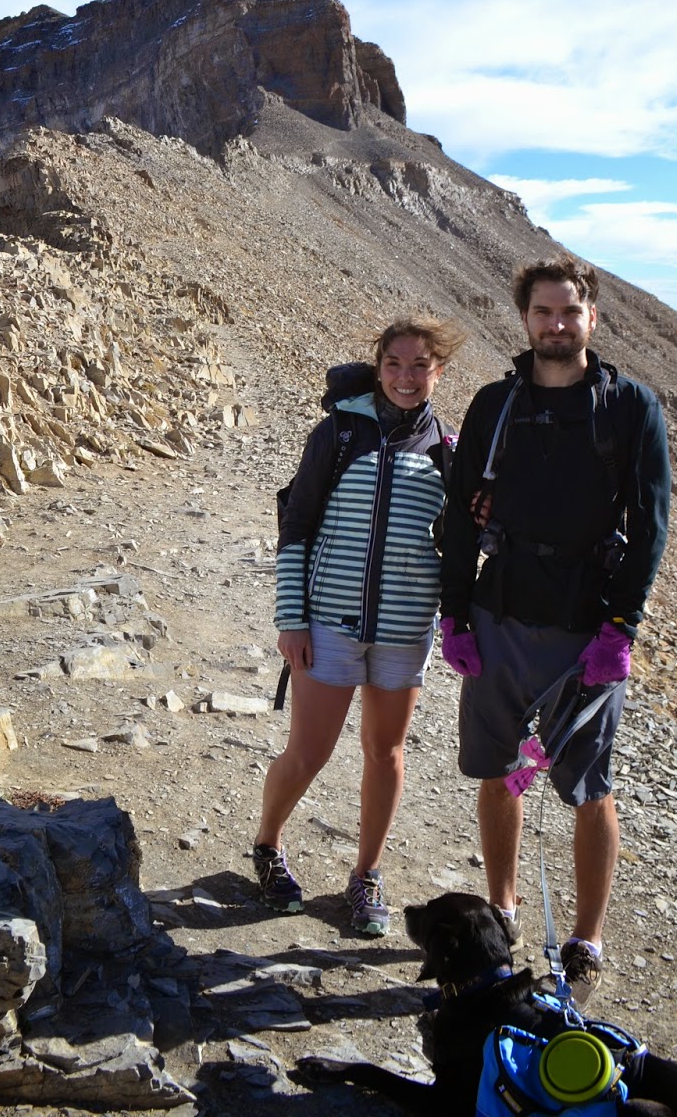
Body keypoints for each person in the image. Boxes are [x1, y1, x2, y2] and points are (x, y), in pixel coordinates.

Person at [439, 257, 670, 1005]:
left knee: (589, 786)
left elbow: (651, 525)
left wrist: (621, 625)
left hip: (585, 624)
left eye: (570, 311)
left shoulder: (630, 407)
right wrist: (454, 612)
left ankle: (587, 938)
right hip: (499, 613)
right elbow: (458, 514)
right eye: (543, 312)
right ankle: (502, 907)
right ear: (525, 319)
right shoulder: (495, 405)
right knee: (499, 769)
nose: (557, 325)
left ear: (592, 317)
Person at [254, 314, 465, 936]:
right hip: (329, 624)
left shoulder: (449, 450)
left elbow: (458, 545)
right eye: (394, 364)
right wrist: (292, 620)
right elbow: (297, 526)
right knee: (309, 753)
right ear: (378, 368)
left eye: (420, 366)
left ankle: (366, 874)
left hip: (404, 631)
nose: (406, 377)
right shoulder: (339, 433)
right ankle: (267, 844)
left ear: (439, 372)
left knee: (386, 753)